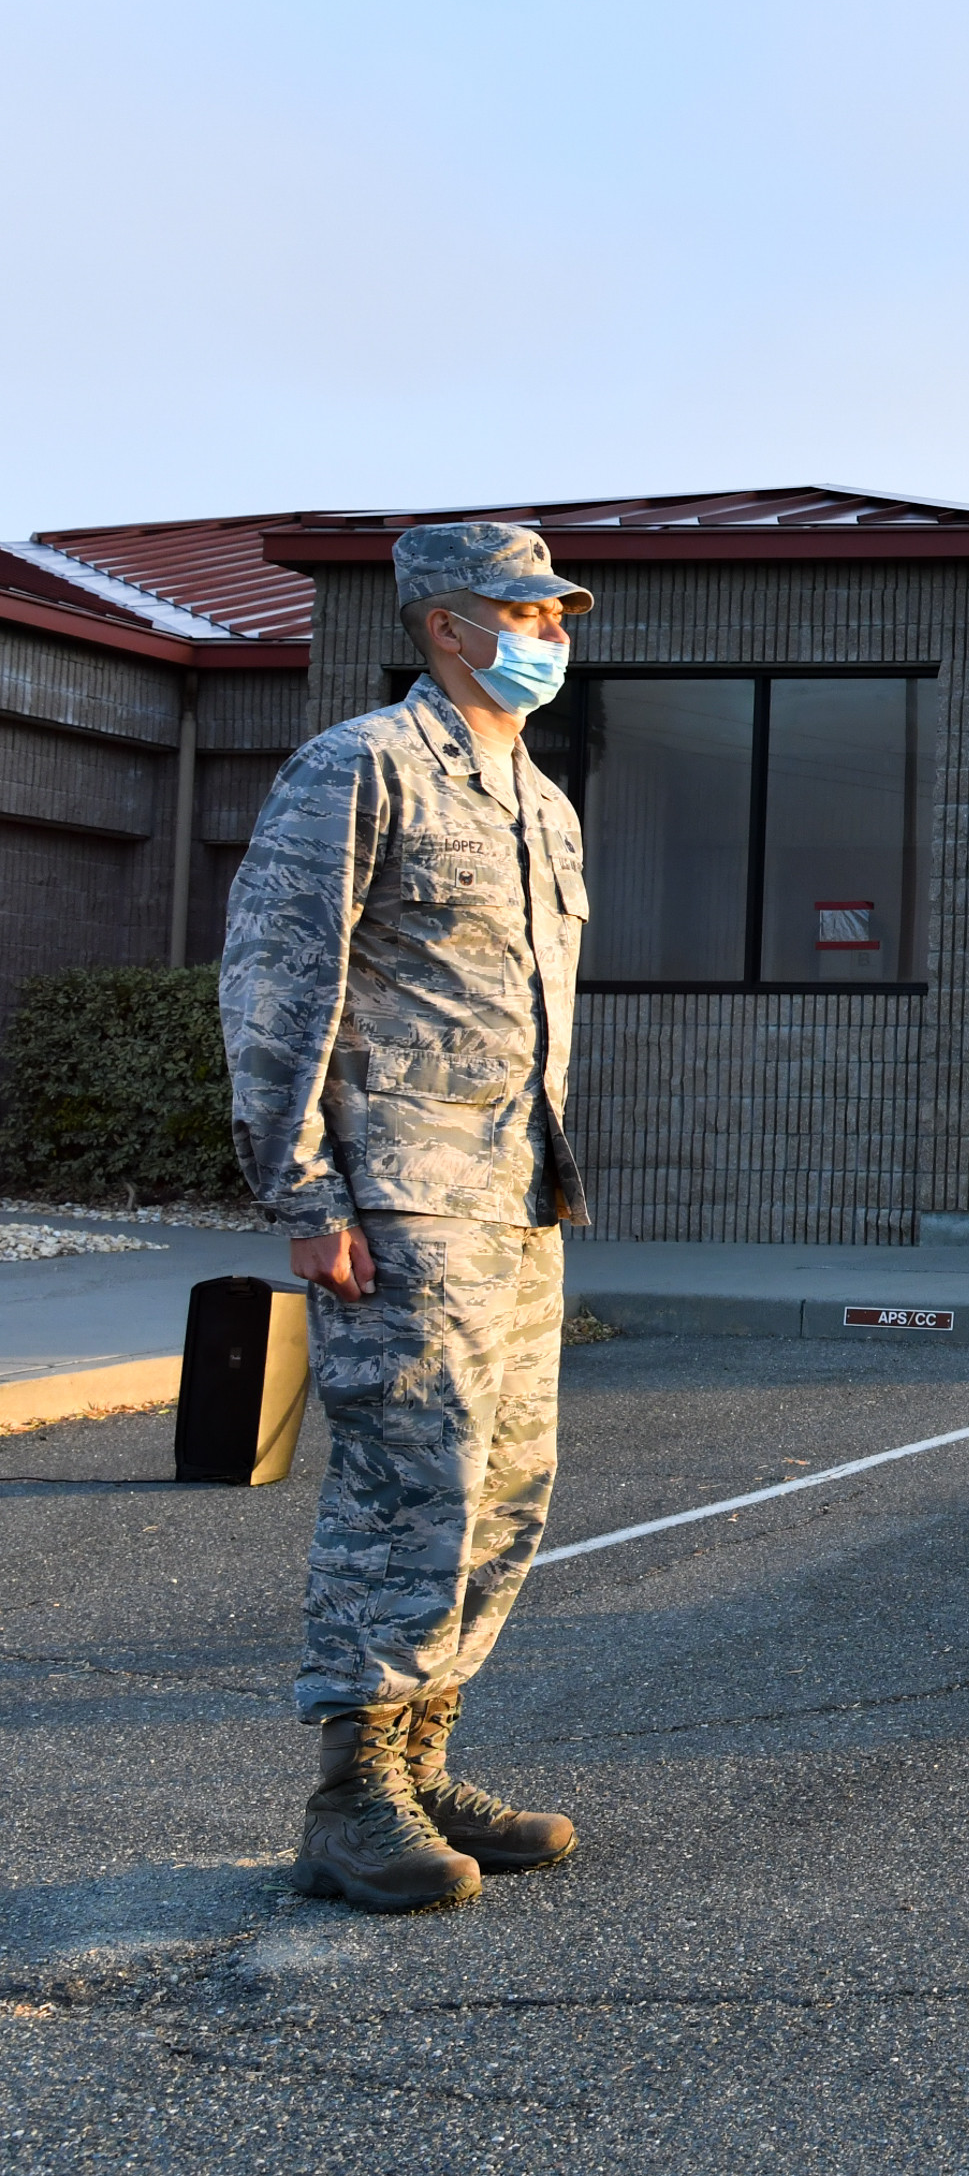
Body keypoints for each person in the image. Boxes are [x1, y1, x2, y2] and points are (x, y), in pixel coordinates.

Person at [222, 521, 595, 1913]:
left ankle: (425, 1758)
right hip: (403, 1194)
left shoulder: (541, 802)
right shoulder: (361, 766)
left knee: (506, 1488)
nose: (551, 635)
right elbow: (277, 978)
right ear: (448, 623)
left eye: (557, 615)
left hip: (519, 1197)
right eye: (527, 612)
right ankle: (351, 1793)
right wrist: (305, 1188)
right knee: (406, 1487)